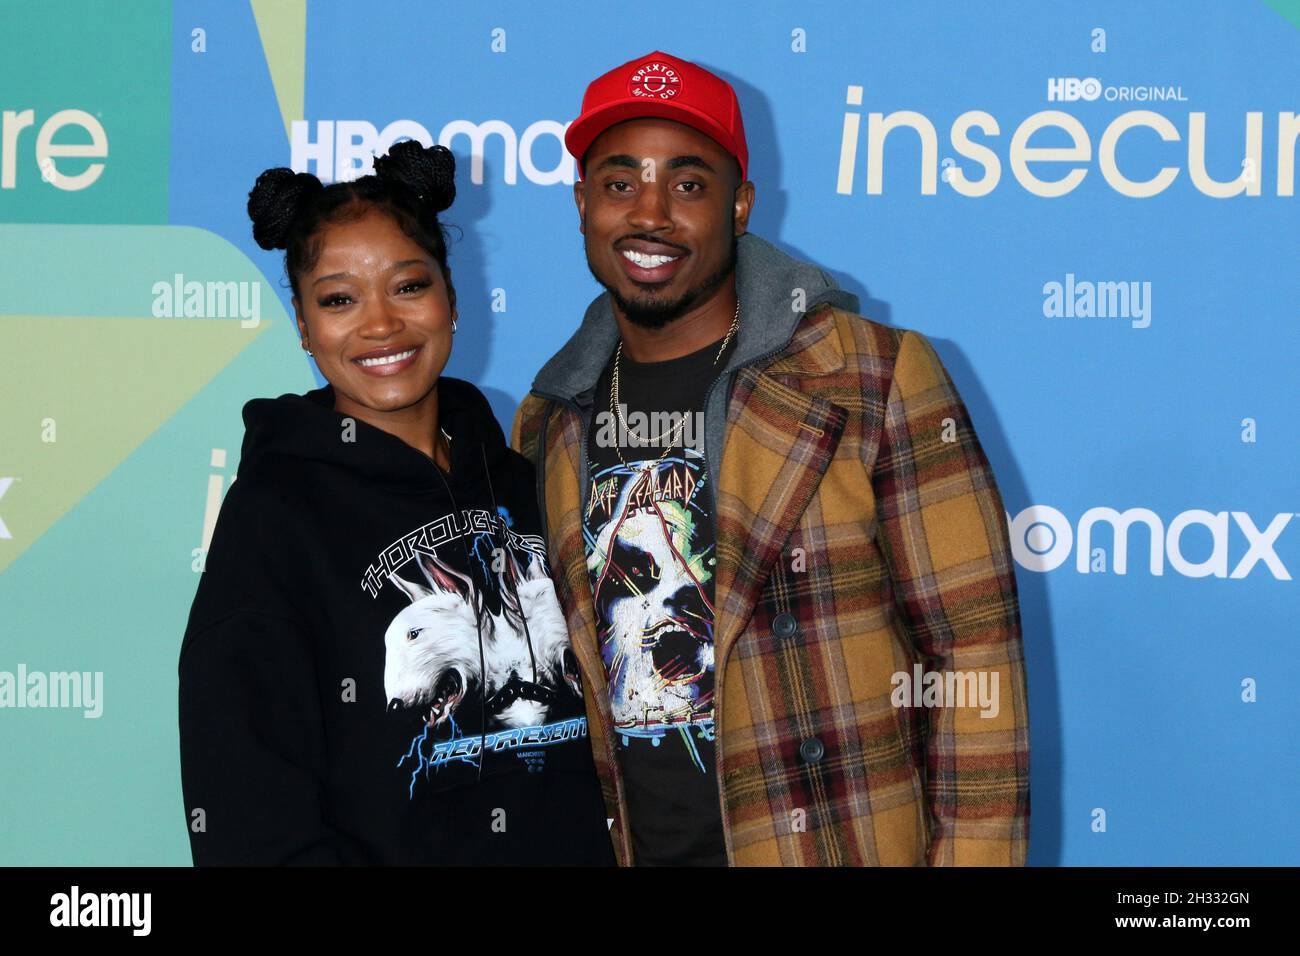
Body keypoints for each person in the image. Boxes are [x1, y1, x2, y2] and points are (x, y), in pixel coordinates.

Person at [512, 51, 1030, 866]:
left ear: (741, 204)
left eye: (688, 184)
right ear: (581, 203)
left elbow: (974, 659)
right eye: (620, 183)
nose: (650, 213)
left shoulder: (871, 375)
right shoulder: (552, 420)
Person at [178, 140, 613, 866]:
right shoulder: (274, 514)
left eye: (408, 287)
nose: (379, 324)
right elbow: (245, 806)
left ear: (452, 297)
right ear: (304, 326)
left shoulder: (525, 481)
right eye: (339, 299)